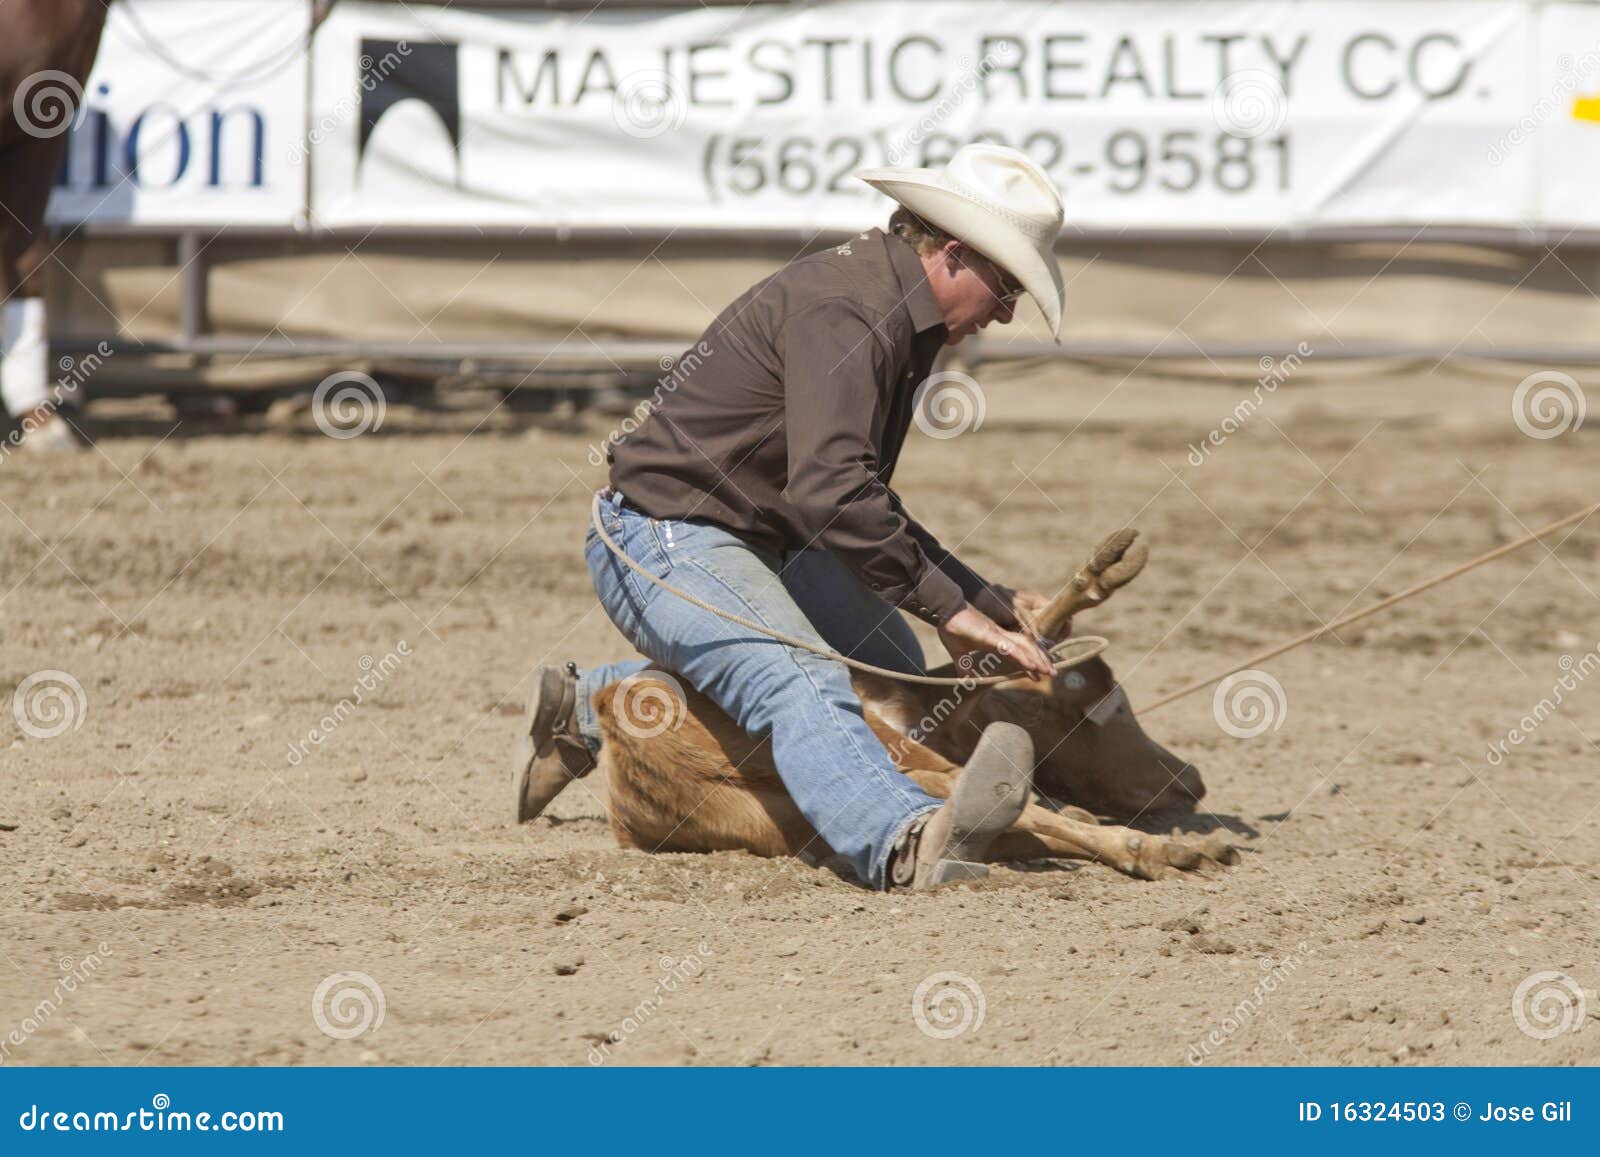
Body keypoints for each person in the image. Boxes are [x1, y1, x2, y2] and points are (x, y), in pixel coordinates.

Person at [516, 144, 1067, 891]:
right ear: (955, 256)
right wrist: (951, 607)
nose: (1005, 313)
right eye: (1006, 287)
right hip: (665, 533)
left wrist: (976, 600)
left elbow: (855, 497)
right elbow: (834, 492)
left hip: (765, 538)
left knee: (901, 689)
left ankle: (592, 700)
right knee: (801, 682)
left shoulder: (884, 308)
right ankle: (902, 840)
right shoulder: (849, 312)